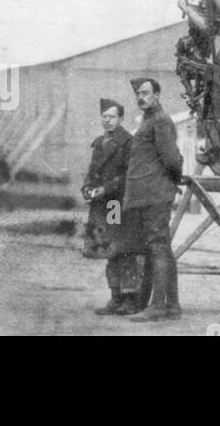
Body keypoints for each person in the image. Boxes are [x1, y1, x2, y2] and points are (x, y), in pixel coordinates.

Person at [123, 78, 185, 322]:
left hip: (154, 195)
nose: (141, 97)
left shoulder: (160, 120)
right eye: (139, 93)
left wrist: (170, 181)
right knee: (163, 249)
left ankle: (158, 306)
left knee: (157, 248)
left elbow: (171, 159)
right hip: (149, 194)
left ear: (157, 95)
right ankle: (172, 306)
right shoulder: (149, 120)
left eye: (146, 93)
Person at [83, 100, 136, 315]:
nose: (107, 120)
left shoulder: (127, 143)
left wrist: (105, 189)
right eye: (104, 116)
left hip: (114, 203)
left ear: (121, 119)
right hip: (99, 204)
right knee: (107, 249)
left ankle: (129, 299)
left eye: (112, 116)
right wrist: (86, 188)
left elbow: (127, 176)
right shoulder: (99, 143)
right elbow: (91, 171)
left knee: (121, 249)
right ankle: (115, 298)